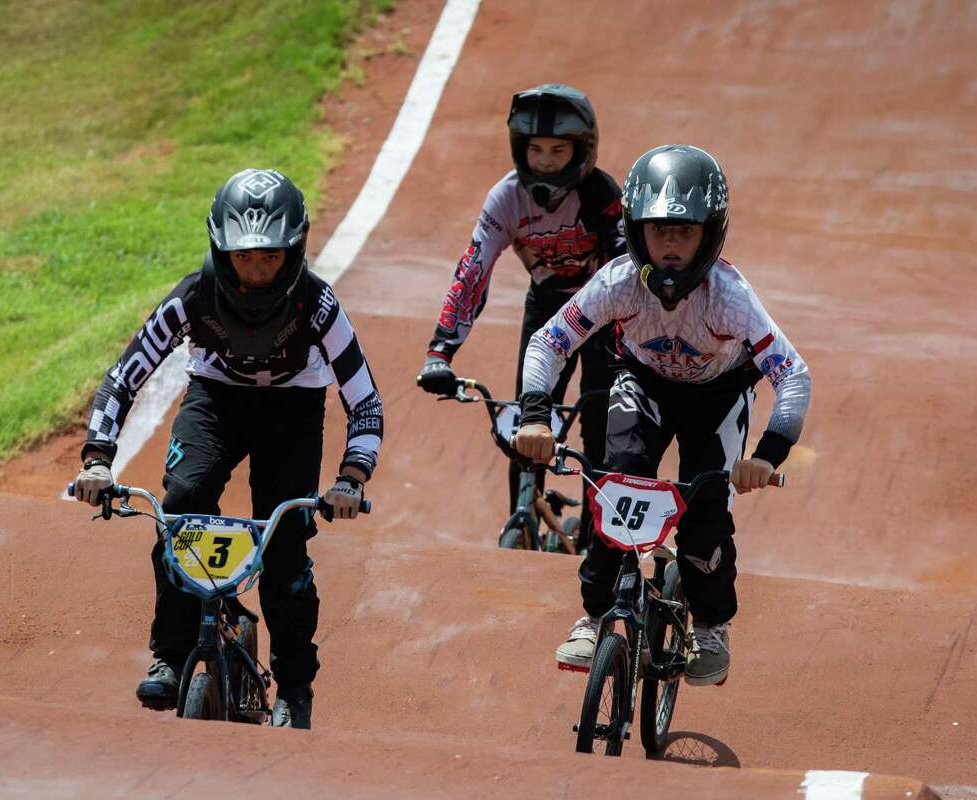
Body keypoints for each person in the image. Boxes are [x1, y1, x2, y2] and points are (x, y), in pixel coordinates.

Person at [72, 169, 383, 728]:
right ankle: (169, 655)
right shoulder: (193, 296)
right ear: (220, 249)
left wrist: (351, 478)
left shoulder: (319, 305)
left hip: (293, 410)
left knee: (285, 543)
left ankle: (294, 687)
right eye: (244, 259)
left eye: (270, 258)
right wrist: (98, 457)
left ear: (295, 251)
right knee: (181, 503)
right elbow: (123, 377)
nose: (258, 273)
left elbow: (365, 401)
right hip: (216, 400)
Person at [513, 144, 811, 686]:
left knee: (704, 517)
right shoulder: (618, 281)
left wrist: (766, 457)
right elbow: (549, 342)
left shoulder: (731, 296)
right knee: (616, 488)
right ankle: (596, 613)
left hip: (718, 396)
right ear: (636, 229)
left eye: (686, 230)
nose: (671, 245)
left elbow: (792, 374)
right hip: (644, 383)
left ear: (711, 233)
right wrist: (535, 416)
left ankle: (711, 626)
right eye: (658, 230)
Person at [415, 84, 625, 549]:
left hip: (602, 315)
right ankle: (521, 512)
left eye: (557, 150)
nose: (545, 161)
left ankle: (600, 538)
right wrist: (439, 351)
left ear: (580, 151)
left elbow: (629, 275)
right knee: (528, 422)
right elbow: (472, 272)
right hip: (548, 310)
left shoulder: (603, 195)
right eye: (535, 149)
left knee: (599, 420)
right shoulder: (505, 199)